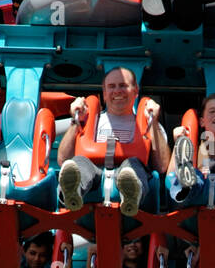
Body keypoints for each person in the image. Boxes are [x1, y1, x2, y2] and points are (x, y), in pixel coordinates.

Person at [56, 67, 170, 216]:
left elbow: (161, 166)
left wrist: (153, 122)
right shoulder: (89, 121)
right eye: (111, 87)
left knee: (132, 167)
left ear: (135, 91)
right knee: (78, 163)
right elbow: (62, 160)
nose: (117, 91)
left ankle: (130, 197)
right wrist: (75, 120)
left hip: (132, 182)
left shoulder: (148, 124)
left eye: (123, 85)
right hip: (93, 180)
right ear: (104, 93)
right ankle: (71, 193)